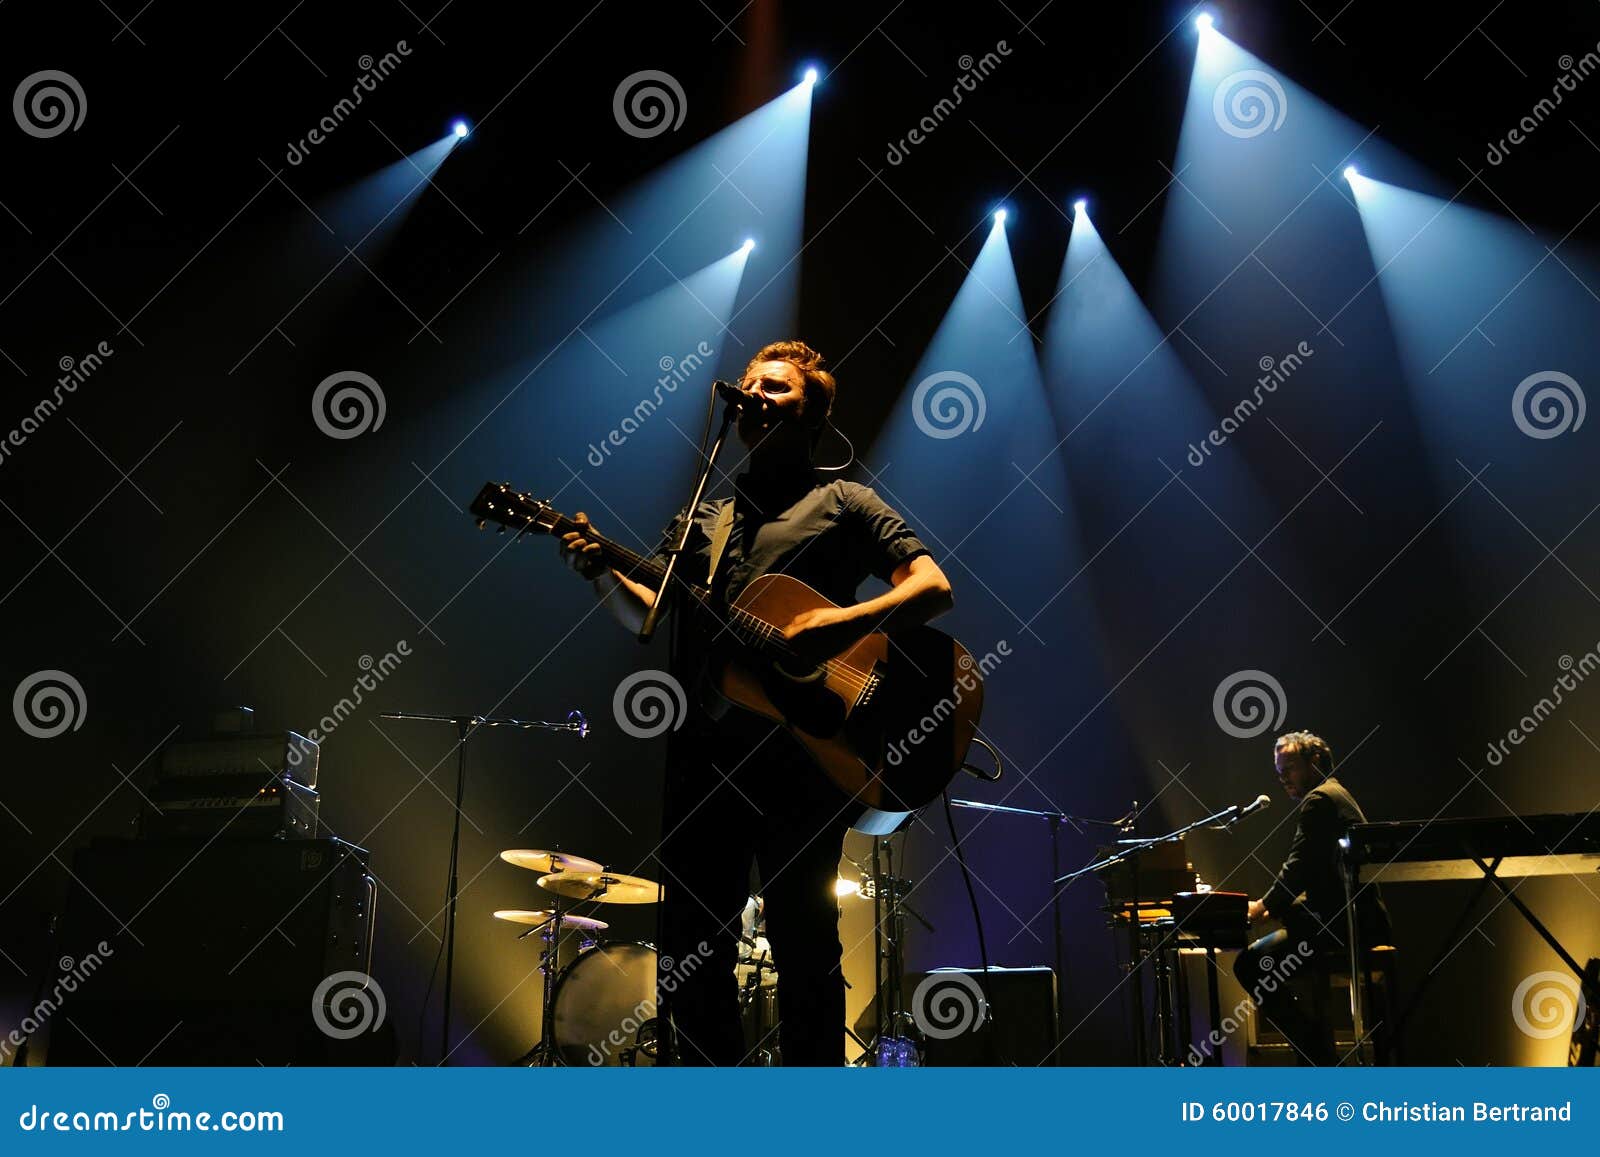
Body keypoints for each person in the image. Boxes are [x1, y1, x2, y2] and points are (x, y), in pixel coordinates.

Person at [558, 340, 954, 1065]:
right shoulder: (707, 517)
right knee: (687, 946)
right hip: (705, 759)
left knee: (805, 944)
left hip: (805, 761)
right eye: (748, 387)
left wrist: (840, 622)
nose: (756, 397)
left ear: (815, 413)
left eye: (776, 388)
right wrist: (600, 571)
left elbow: (933, 587)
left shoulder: (845, 503)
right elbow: (651, 614)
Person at [1234, 729, 1389, 1066]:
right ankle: (1318, 1052)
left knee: (1249, 964)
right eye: (1279, 773)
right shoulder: (1336, 795)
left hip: (1345, 927)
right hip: (1354, 921)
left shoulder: (1319, 800)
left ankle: (1320, 1058)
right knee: (1280, 955)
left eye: (1288, 769)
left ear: (1314, 761)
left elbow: (1298, 867)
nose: (1282, 779)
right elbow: (1318, 874)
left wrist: (1263, 907)